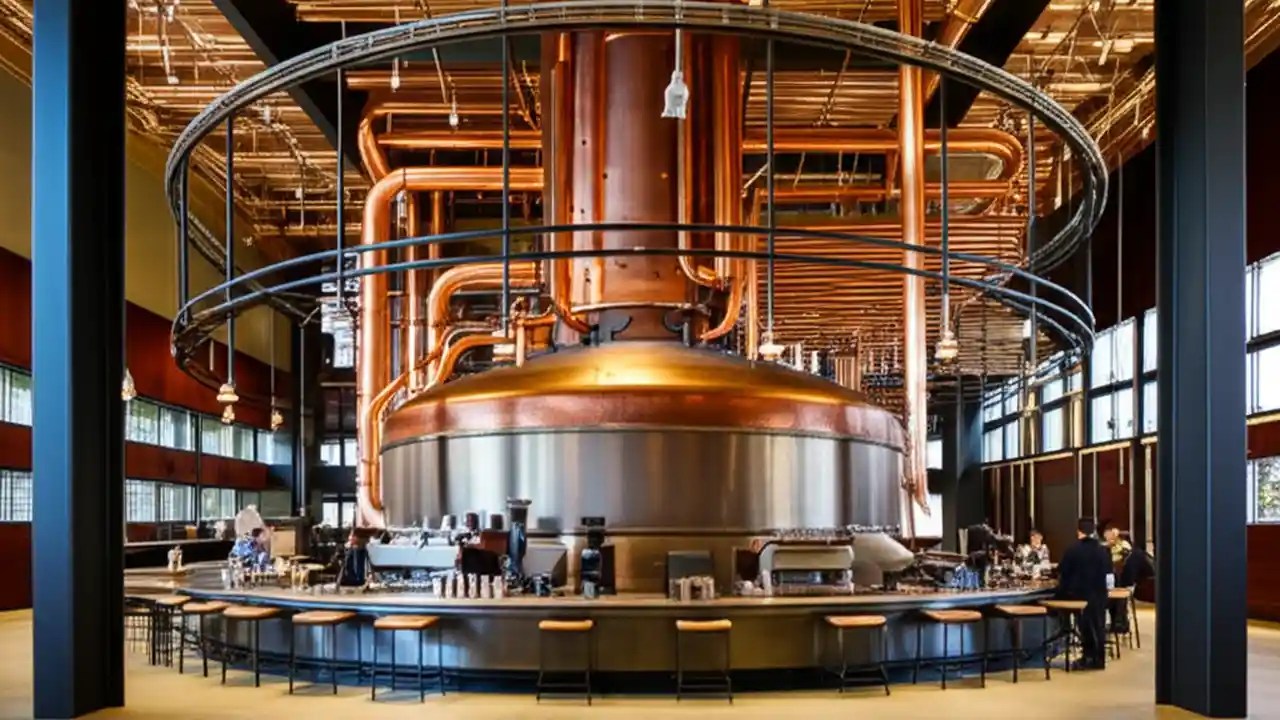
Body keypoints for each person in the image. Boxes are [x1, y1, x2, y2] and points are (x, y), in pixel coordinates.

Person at [1056, 517, 1112, 670]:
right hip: (1099, 594)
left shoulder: (1072, 549)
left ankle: (1086, 656)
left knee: (1085, 625)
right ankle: (1099, 659)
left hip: (1078, 595)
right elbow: (1109, 573)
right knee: (1098, 625)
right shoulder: (1103, 550)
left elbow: (1062, 571)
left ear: (1078, 532)